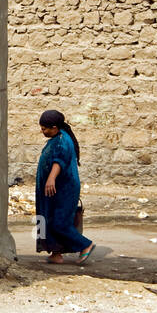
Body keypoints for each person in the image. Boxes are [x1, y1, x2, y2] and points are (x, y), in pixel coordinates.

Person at [35, 110, 95, 264]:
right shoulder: (56, 138)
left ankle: (86, 245)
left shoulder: (63, 140)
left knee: (59, 222)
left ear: (55, 128)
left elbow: (59, 161)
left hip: (64, 189)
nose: (43, 131)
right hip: (53, 190)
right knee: (48, 219)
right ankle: (56, 254)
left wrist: (51, 179)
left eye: (45, 129)